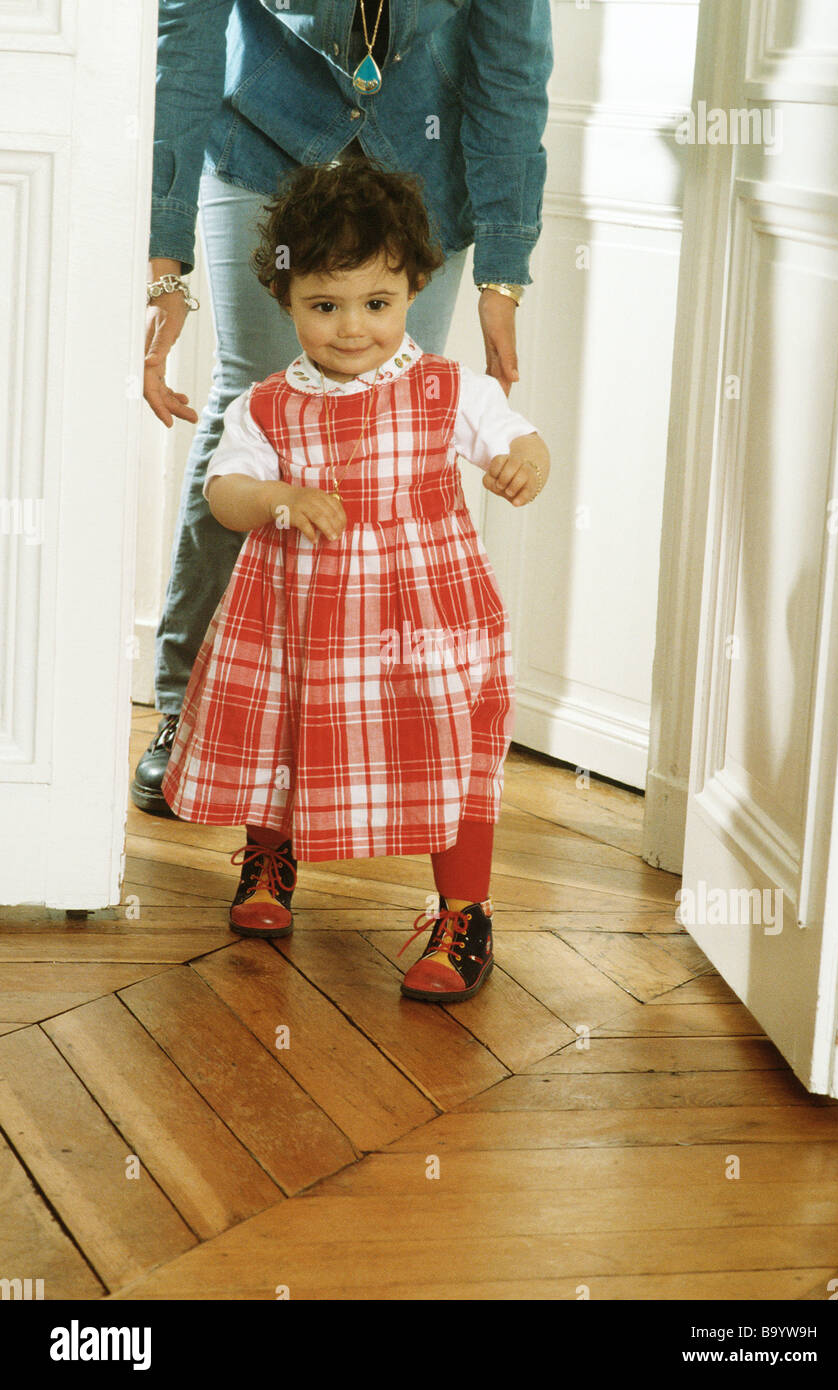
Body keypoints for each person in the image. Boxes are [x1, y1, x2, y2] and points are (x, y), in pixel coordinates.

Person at [133, 0, 553, 815]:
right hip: (264, 138)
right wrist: (165, 262)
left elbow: (510, 67)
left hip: (423, 156)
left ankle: (362, 713)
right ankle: (194, 705)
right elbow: (182, 49)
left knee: (391, 417)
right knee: (252, 411)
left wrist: (504, 267)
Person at [160, 159, 550, 1001]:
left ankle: (462, 914)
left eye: (376, 303)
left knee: (450, 746)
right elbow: (223, 496)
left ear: (414, 286)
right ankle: (270, 858)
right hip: (294, 613)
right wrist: (278, 496)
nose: (349, 329)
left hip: (426, 614)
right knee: (282, 728)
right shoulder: (264, 405)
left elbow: (518, 439)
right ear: (286, 297)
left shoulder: (453, 389)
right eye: (322, 305)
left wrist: (525, 464)